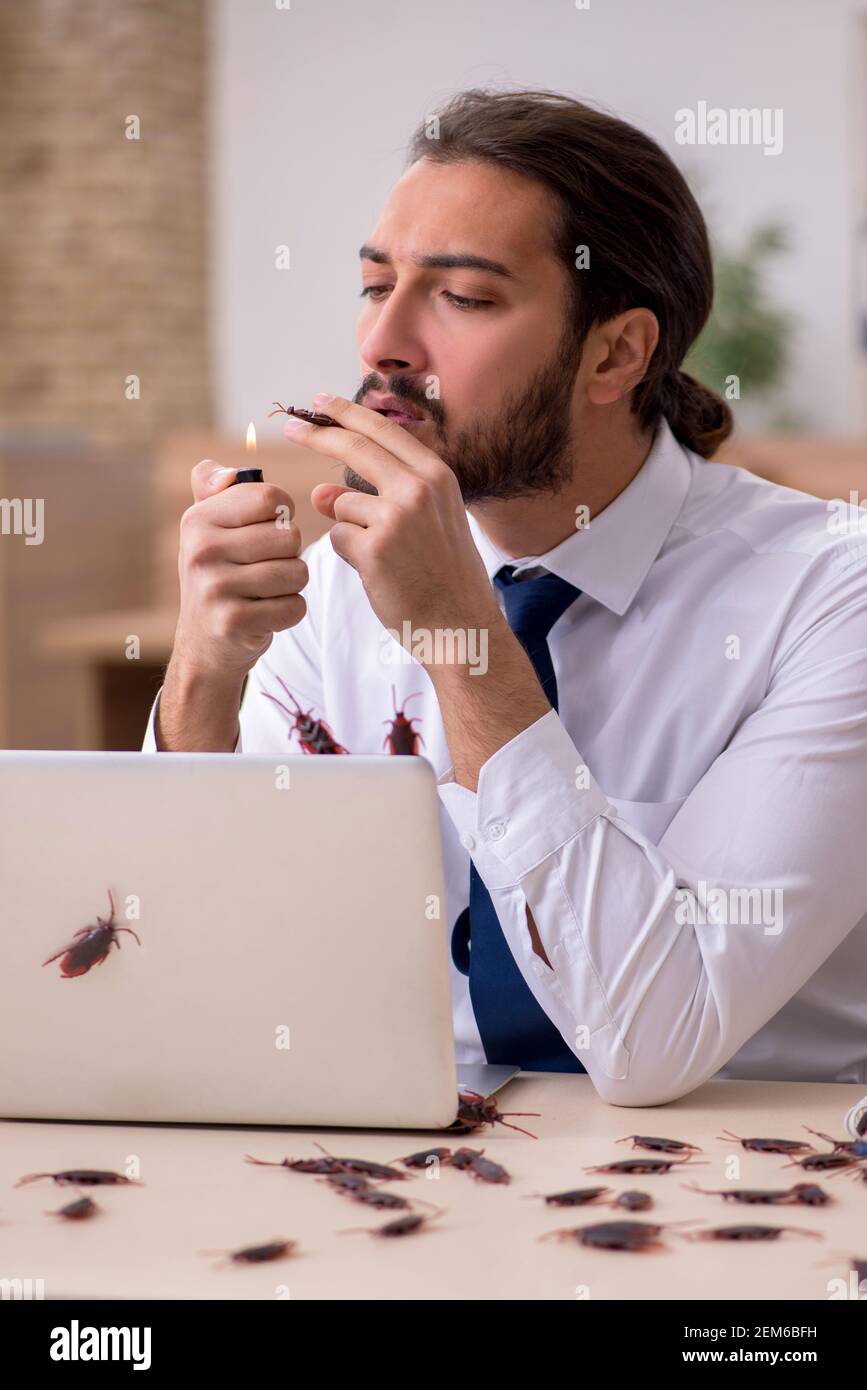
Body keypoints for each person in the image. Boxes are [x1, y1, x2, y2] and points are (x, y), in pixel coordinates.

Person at [142, 89, 867, 1103]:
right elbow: (174, 977)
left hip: (747, 1193)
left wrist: (461, 640)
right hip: (413, 1177)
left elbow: (660, 1036)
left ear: (616, 353)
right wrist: (202, 684)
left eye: (464, 299)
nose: (383, 344)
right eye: (373, 285)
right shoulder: (332, 595)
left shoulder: (833, 593)